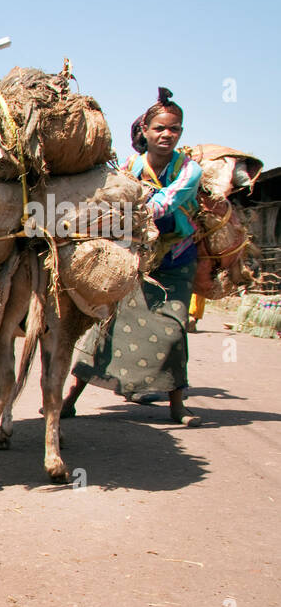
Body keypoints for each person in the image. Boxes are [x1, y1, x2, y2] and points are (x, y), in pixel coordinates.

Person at [63, 88, 203, 427]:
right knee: (105, 325)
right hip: (134, 257)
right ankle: (70, 399)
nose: (167, 134)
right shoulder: (131, 166)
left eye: (174, 128)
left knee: (173, 330)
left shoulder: (190, 171)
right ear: (145, 131)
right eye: (159, 128)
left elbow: (161, 205)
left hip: (175, 259)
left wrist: (124, 205)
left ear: (180, 132)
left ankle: (177, 405)